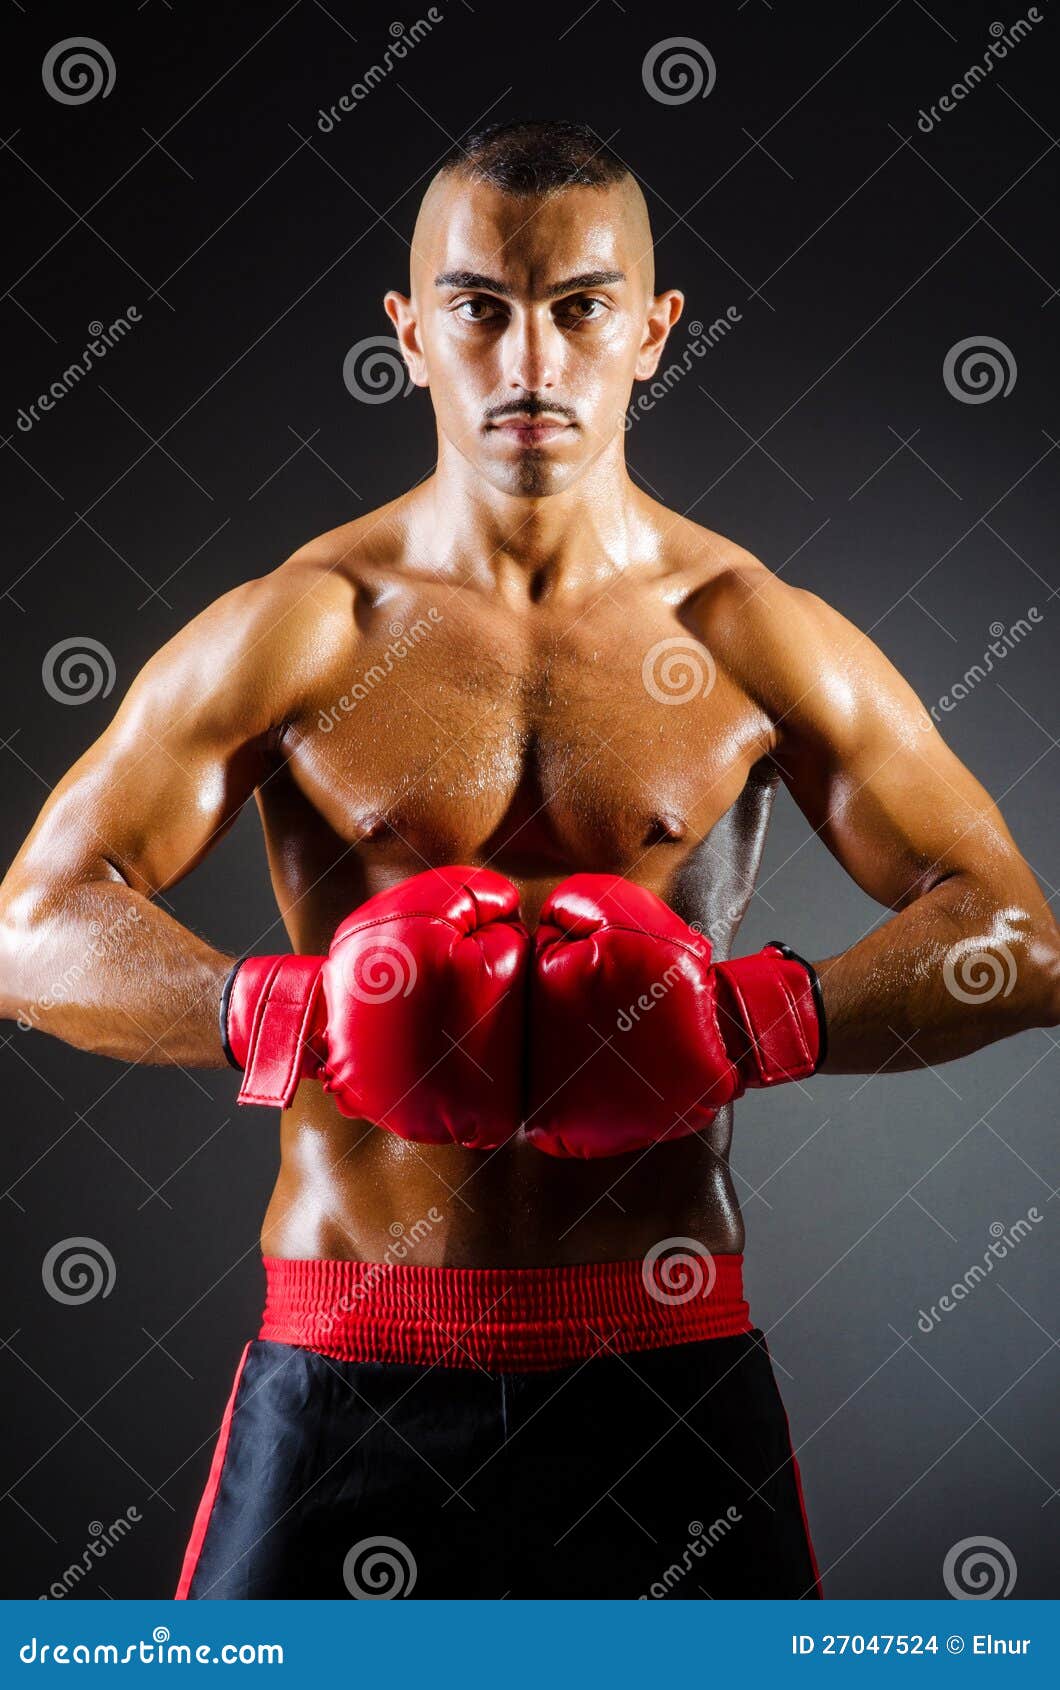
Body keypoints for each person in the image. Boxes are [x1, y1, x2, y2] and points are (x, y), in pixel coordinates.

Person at [1, 121, 1056, 1600]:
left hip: (663, 1364)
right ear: (412, 332)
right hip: (348, 1359)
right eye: (480, 306)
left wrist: (762, 1020)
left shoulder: (744, 629)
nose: (532, 361)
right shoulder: (305, 624)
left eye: (579, 308)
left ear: (651, 330)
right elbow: (30, 928)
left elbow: (1015, 930)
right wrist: (286, 1013)